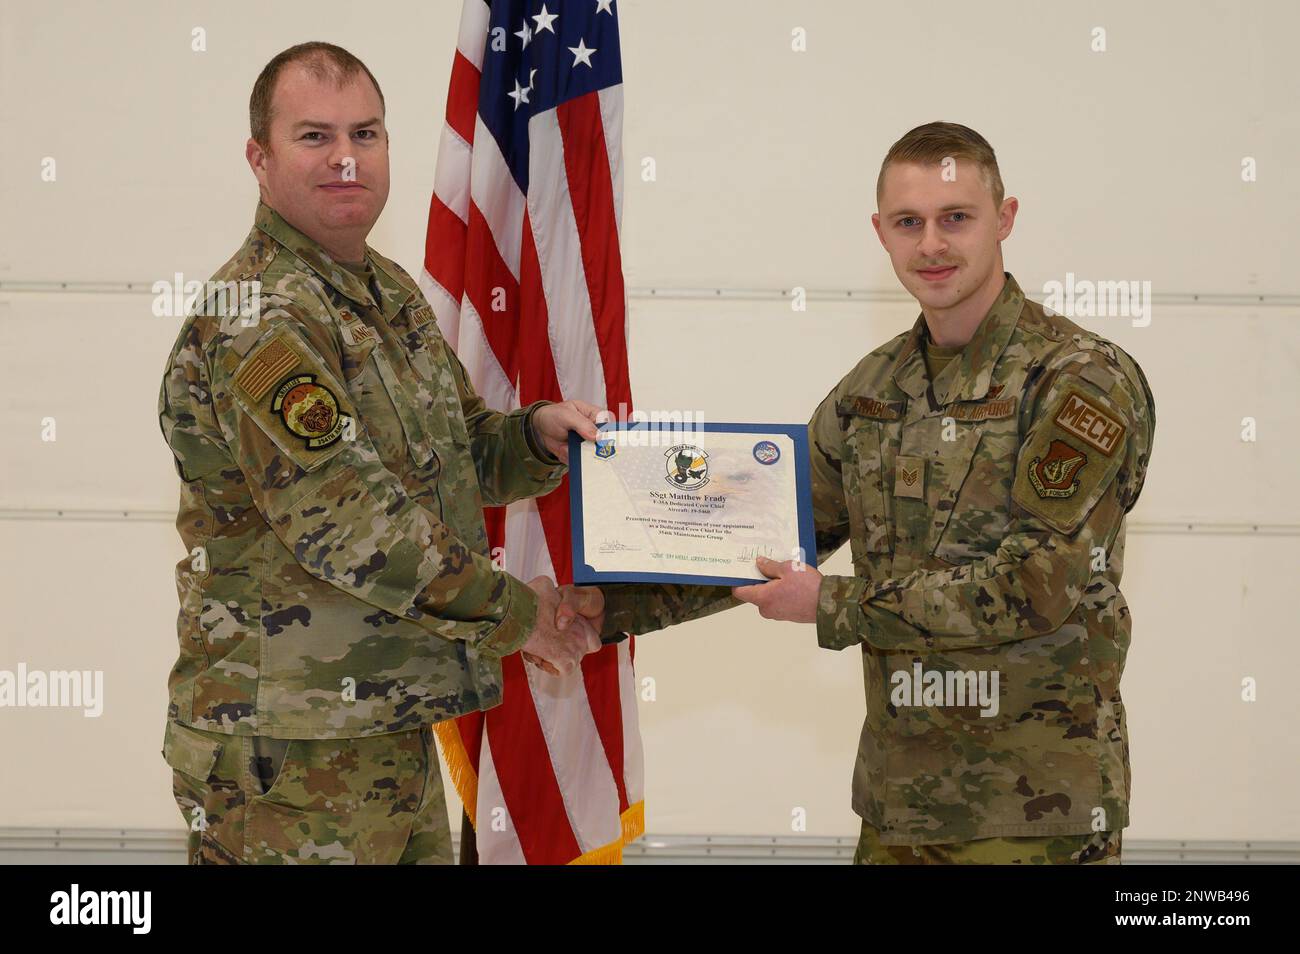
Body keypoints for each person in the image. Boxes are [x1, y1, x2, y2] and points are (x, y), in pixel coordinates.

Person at [557, 122, 1156, 865]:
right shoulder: (876, 391)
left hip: (1036, 811)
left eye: (956, 218)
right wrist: (605, 608)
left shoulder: (1078, 381)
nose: (931, 244)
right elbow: (763, 531)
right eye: (909, 223)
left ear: (1004, 219)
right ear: (881, 233)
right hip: (899, 805)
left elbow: (1036, 585)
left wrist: (830, 605)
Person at [157, 42, 603, 864]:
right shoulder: (262, 316)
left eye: (365, 133)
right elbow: (349, 522)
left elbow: (456, 454)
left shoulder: (383, 291)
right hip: (289, 747)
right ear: (259, 157)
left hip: (383, 717)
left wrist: (536, 434)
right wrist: (517, 615)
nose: (345, 159)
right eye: (314, 136)